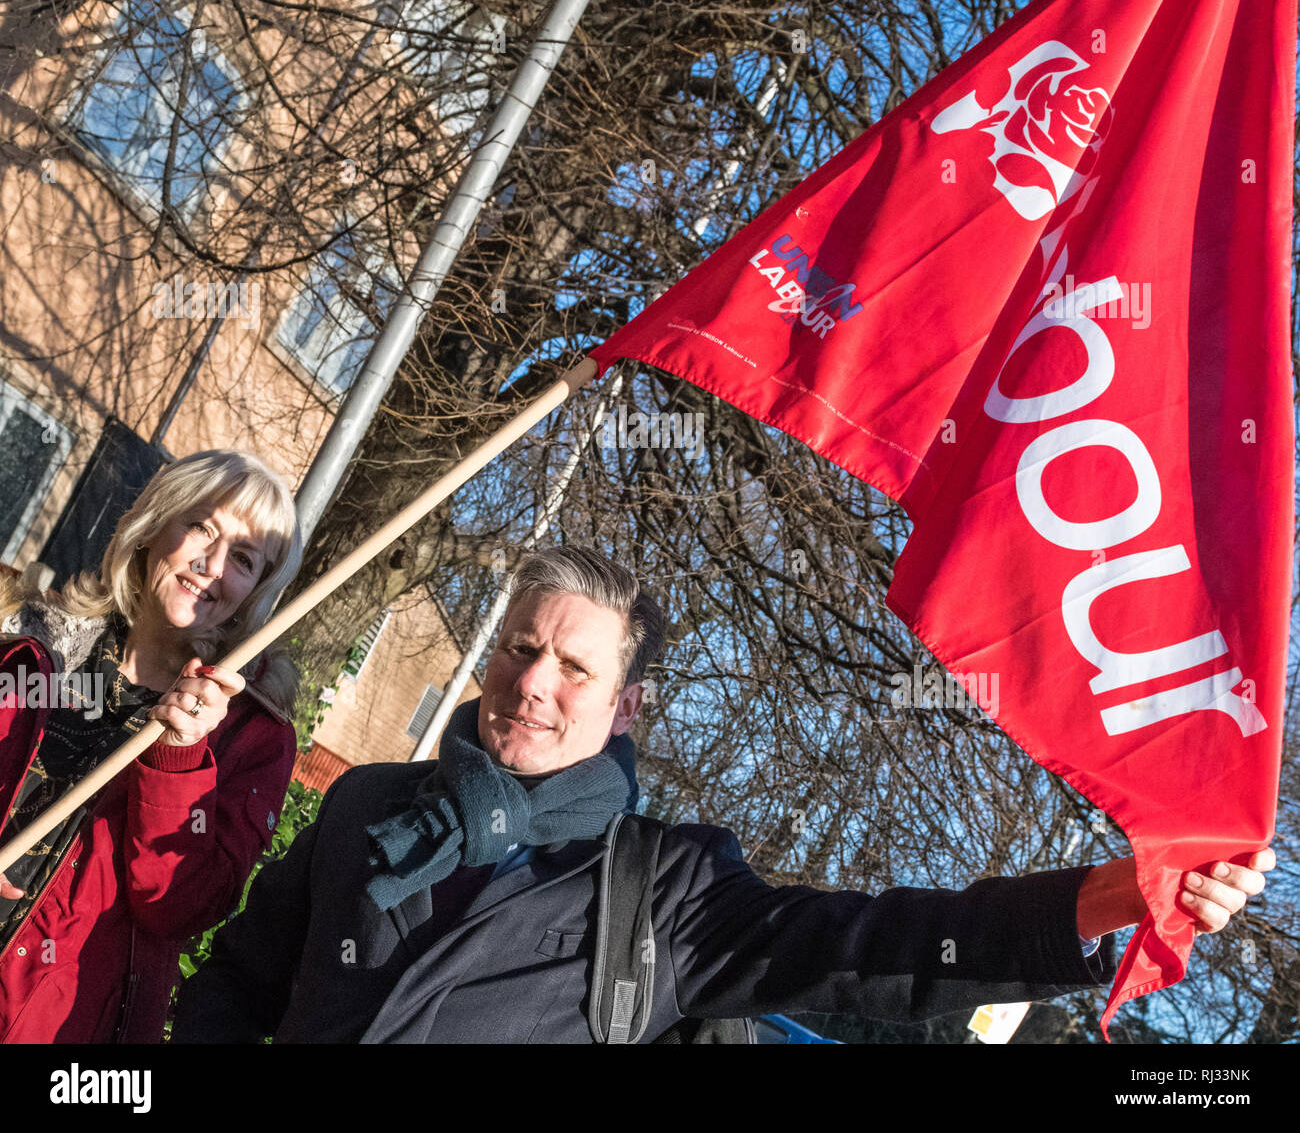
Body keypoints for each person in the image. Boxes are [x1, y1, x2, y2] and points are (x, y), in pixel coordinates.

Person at [171, 545, 1271, 1044]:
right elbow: (239, 980)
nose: (532, 682)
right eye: (520, 648)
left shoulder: (666, 888)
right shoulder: (367, 804)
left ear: (626, 709)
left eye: (574, 668)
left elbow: (871, 948)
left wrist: (1101, 902)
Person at [0, 449, 303, 1043]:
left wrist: (182, 758)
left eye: (242, 558)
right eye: (201, 527)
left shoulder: (253, 734)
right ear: (154, 524)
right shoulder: (32, 649)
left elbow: (180, 908)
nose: (211, 565)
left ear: (255, 592)